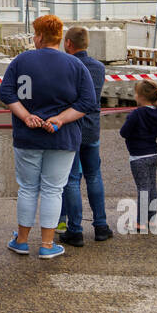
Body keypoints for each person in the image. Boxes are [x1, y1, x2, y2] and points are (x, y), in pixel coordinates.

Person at [0, 15, 96, 259]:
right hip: (62, 138)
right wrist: (61, 119)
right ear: (60, 37)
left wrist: (26, 116)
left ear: (40, 36)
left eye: (35, 34)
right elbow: (87, 102)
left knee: (28, 188)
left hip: (27, 136)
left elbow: (6, 92)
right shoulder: (75, 65)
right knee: (53, 190)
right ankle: (47, 244)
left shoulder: (21, 60)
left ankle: (21, 241)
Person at [58, 26, 110, 246]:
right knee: (94, 175)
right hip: (92, 129)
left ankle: (75, 229)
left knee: (71, 180)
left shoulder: (65, 65)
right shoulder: (98, 67)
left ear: (69, 43)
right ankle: (101, 225)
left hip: (71, 128)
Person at [120, 80, 157, 232]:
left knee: (143, 188)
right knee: (152, 186)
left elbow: (124, 132)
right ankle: (152, 219)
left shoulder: (136, 113)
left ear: (140, 96)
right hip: (153, 153)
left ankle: (141, 222)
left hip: (138, 156)